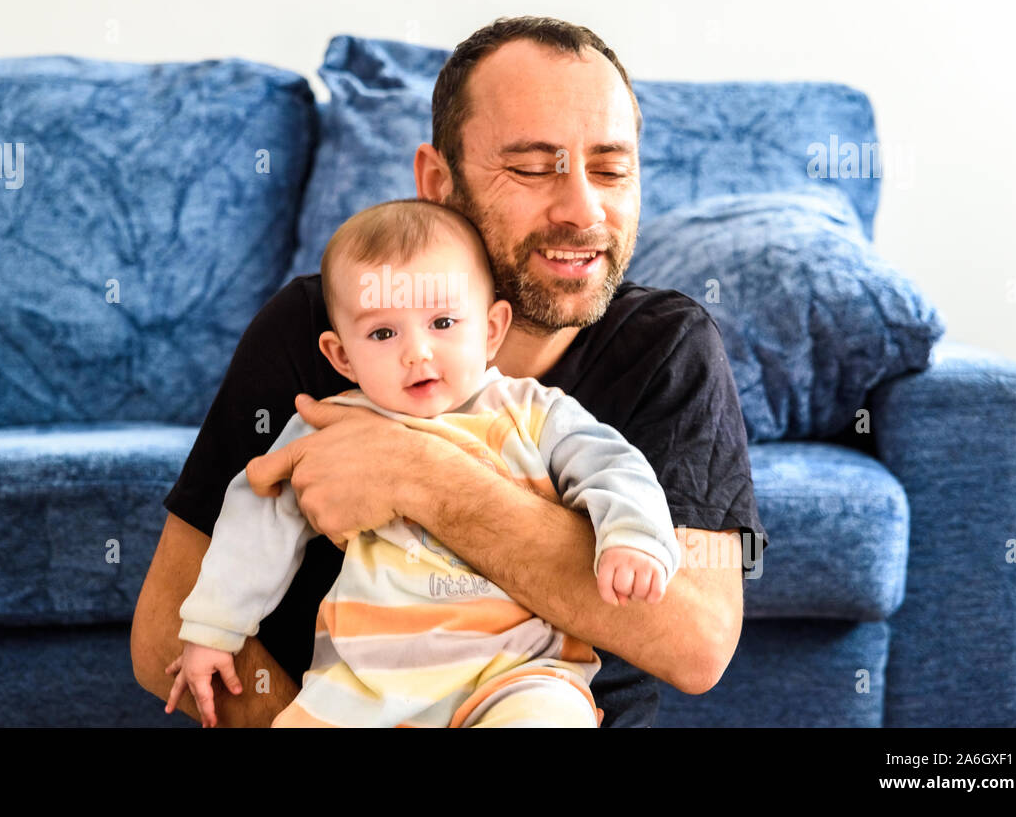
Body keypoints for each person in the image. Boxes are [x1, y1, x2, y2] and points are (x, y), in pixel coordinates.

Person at [131, 15, 768, 728]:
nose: (583, 209)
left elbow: (697, 643)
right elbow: (164, 628)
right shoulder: (317, 328)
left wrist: (419, 474)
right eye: (532, 167)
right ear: (438, 180)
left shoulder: (669, 349)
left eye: (612, 169)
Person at [164, 199, 681, 727]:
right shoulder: (332, 425)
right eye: (383, 333)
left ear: (492, 327)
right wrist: (212, 629)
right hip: (365, 686)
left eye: (442, 321)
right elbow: (259, 515)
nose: (417, 352)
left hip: (516, 672)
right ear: (341, 356)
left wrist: (633, 537)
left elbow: (612, 465)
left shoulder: (533, 412)